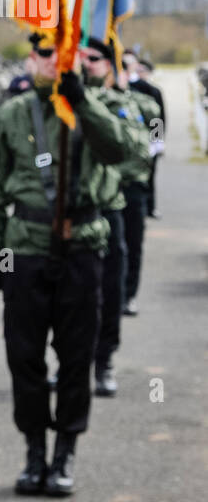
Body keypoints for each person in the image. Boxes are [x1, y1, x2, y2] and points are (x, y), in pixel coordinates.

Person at [0, 34, 128, 498]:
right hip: (23, 251)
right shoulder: (10, 115)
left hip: (82, 249)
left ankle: (65, 451)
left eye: (62, 53)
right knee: (23, 356)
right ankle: (34, 450)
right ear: (31, 58)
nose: (52, 61)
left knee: (76, 356)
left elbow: (125, 151)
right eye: (44, 53)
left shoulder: (102, 104)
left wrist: (83, 102)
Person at [79, 37, 151, 396]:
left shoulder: (121, 104)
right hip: (69, 215)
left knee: (109, 291)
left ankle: (103, 361)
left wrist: (106, 174)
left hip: (107, 208)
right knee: (71, 296)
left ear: (108, 64)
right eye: (80, 57)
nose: (85, 64)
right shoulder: (59, 104)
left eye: (92, 59)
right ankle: (70, 363)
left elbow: (140, 152)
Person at [116, 59, 160, 318]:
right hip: (107, 186)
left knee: (133, 243)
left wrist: (152, 153)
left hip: (133, 185)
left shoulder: (145, 100)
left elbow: (157, 128)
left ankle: (129, 294)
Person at [125, 53, 164, 219]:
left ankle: (150, 206)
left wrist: (157, 141)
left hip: (147, 141)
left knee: (149, 176)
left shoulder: (151, 90)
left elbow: (158, 118)